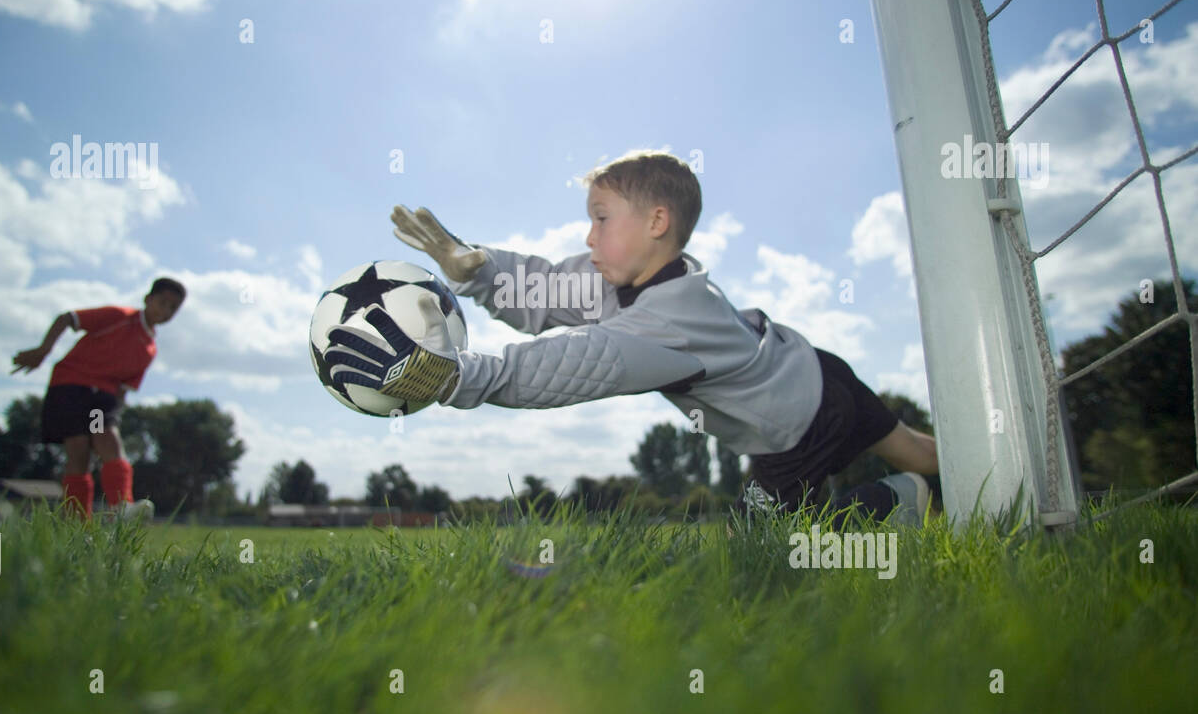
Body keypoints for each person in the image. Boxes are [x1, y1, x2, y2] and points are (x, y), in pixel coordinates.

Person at [325, 150, 941, 527]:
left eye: (600, 219)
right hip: (816, 368)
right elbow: (544, 289)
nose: (589, 237)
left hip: (796, 430)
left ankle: (894, 508)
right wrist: (479, 268)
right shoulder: (623, 279)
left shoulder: (669, 320)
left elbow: (578, 363)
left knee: (763, 553)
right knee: (924, 451)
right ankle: (967, 490)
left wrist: (456, 376)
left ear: (656, 223)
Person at [11, 278, 186, 520]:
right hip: (71, 386)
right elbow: (68, 318)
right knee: (78, 451)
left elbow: (124, 388)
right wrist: (43, 350)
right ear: (148, 299)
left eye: (172, 308)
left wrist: (115, 417)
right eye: (162, 302)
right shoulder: (118, 317)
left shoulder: (149, 349)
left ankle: (121, 508)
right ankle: (76, 523)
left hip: (102, 398)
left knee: (107, 437)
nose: (165, 311)